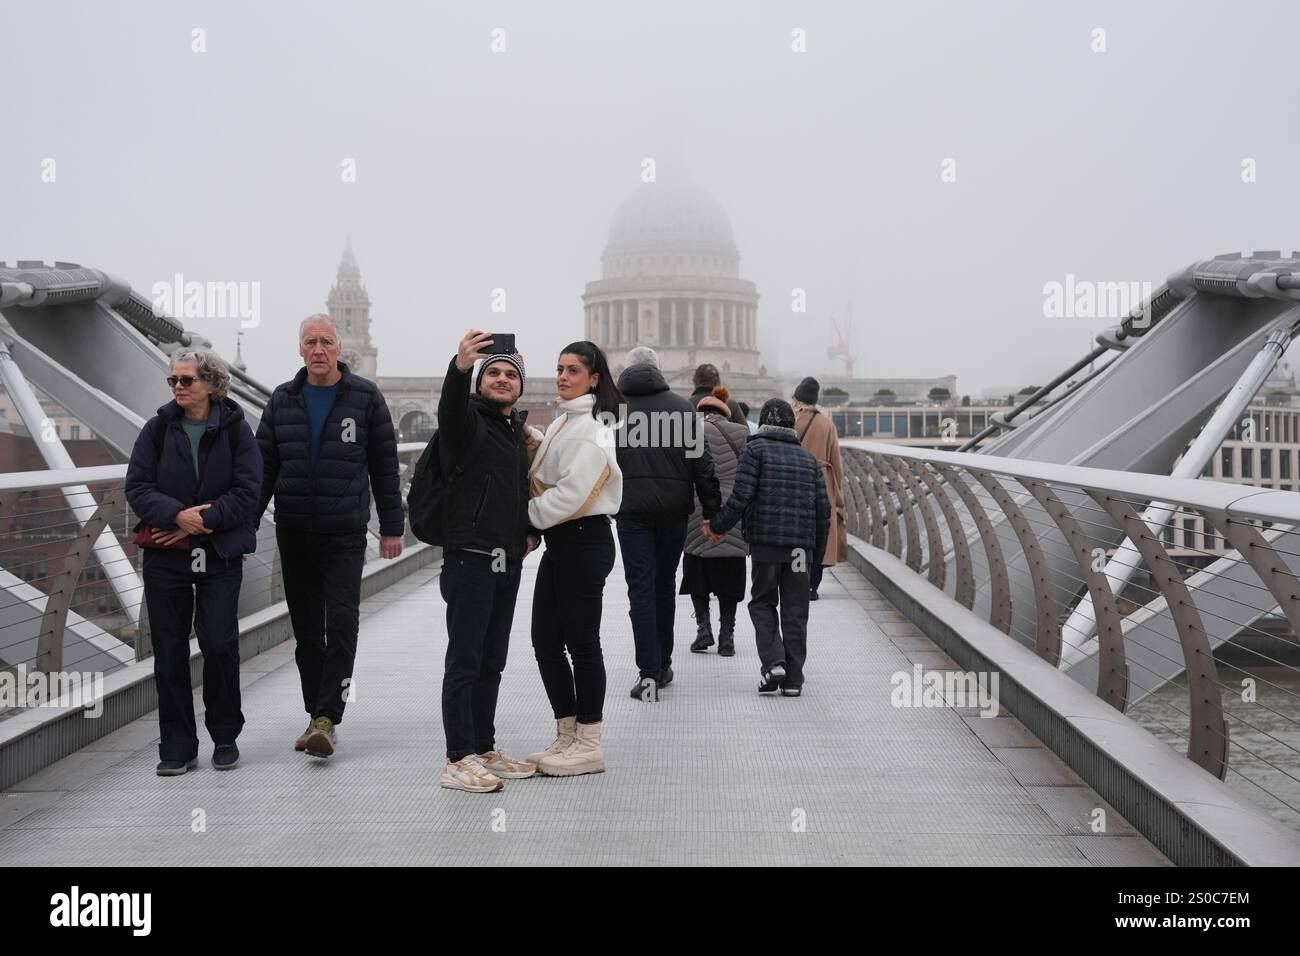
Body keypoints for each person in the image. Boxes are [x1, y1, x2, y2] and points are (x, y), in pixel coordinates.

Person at [254, 314, 404, 759]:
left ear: (339, 349)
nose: (318, 349)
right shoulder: (282, 400)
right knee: (306, 631)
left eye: (326, 342)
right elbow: (263, 472)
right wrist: (245, 529)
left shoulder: (365, 397)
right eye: (310, 342)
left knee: (341, 621)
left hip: (344, 530)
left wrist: (392, 527)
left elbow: (384, 466)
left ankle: (327, 717)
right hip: (294, 529)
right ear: (299, 350)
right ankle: (314, 713)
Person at [126, 348, 261, 775]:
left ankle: (225, 736)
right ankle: (177, 745)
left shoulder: (238, 431)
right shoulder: (157, 429)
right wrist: (175, 516)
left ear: (211, 384)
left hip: (218, 552)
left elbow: (248, 491)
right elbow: (138, 486)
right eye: (174, 381)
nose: (178, 388)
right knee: (168, 650)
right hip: (166, 556)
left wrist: (195, 522)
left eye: (187, 380)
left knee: (219, 642)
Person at [436, 330, 545, 793]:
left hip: (506, 561)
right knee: (465, 660)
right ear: (480, 382)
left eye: (510, 374)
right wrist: (459, 368)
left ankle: (483, 746)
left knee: (491, 660)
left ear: (521, 385)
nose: (502, 379)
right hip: (470, 558)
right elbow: (449, 411)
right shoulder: (468, 423)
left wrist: (529, 530)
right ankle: (457, 757)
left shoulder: (512, 431)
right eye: (493, 373)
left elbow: (513, 490)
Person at [525, 341, 623, 776]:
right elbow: (553, 467)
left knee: (582, 645)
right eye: (559, 369)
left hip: (583, 540)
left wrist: (520, 518)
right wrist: (530, 439)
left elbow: (572, 494)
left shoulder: (594, 428)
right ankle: (567, 733)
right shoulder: (568, 421)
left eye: (573, 371)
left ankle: (588, 742)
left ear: (594, 379)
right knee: (545, 640)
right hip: (564, 542)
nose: (562, 377)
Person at [614, 346, 720, 700]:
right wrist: (711, 511)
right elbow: (702, 463)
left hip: (630, 513)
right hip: (674, 512)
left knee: (640, 590)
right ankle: (663, 663)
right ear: (659, 370)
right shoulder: (682, 408)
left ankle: (648, 672)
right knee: (663, 586)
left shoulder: (614, 411)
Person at [703, 399, 828, 697]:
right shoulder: (808, 460)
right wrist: (818, 559)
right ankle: (795, 679)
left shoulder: (755, 450)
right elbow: (823, 512)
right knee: (796, 611)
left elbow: (741, 496)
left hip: (767, 545)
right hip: (801, 550)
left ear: (763, 425)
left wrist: (717, 526)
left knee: (762, 602)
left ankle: (773, 664)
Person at [681, 385, 749, 657]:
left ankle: (703, 629)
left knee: (697, 570)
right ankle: (727, 635)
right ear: (727, 412)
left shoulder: (690, 431)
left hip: (697, 511)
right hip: (731, 512)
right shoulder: (742, 433)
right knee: (731, 572)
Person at [791, 377, 848, 600]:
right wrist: (839, 493)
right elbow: (837, 462)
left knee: (799, 532)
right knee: (821, 533)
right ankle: (813, 586)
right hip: (823, 480)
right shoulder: (827, 424)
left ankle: (797, 578)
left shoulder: (792, 421)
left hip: (797, 480)